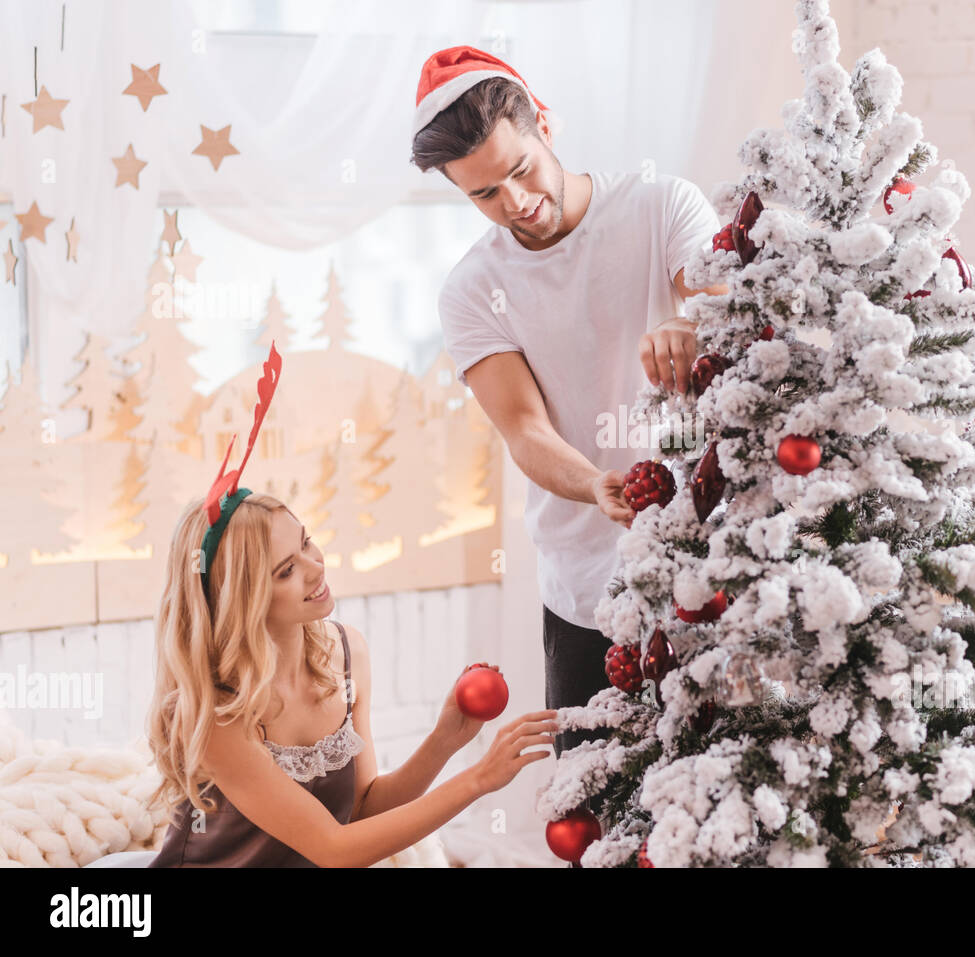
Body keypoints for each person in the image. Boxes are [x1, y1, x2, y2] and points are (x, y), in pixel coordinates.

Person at [410, 47, 727, 756]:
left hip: (713, 566)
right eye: (485, 195)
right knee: (594, 798)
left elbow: (729, 303)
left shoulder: (660, 205)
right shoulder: (472, 290)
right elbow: (524, 429)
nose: (515, 203)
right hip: (586, 592)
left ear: (544, 125)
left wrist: (691, 324)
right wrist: (592, 484)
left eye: (521, 170)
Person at [136, 343, 556, 868]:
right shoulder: (217, 711)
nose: (315, 567)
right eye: (286, 570)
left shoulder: (345, 653)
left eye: (306, 542)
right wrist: (479, 780)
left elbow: (359, 813)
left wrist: (444, 741)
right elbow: (335, 850)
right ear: (244, 602)